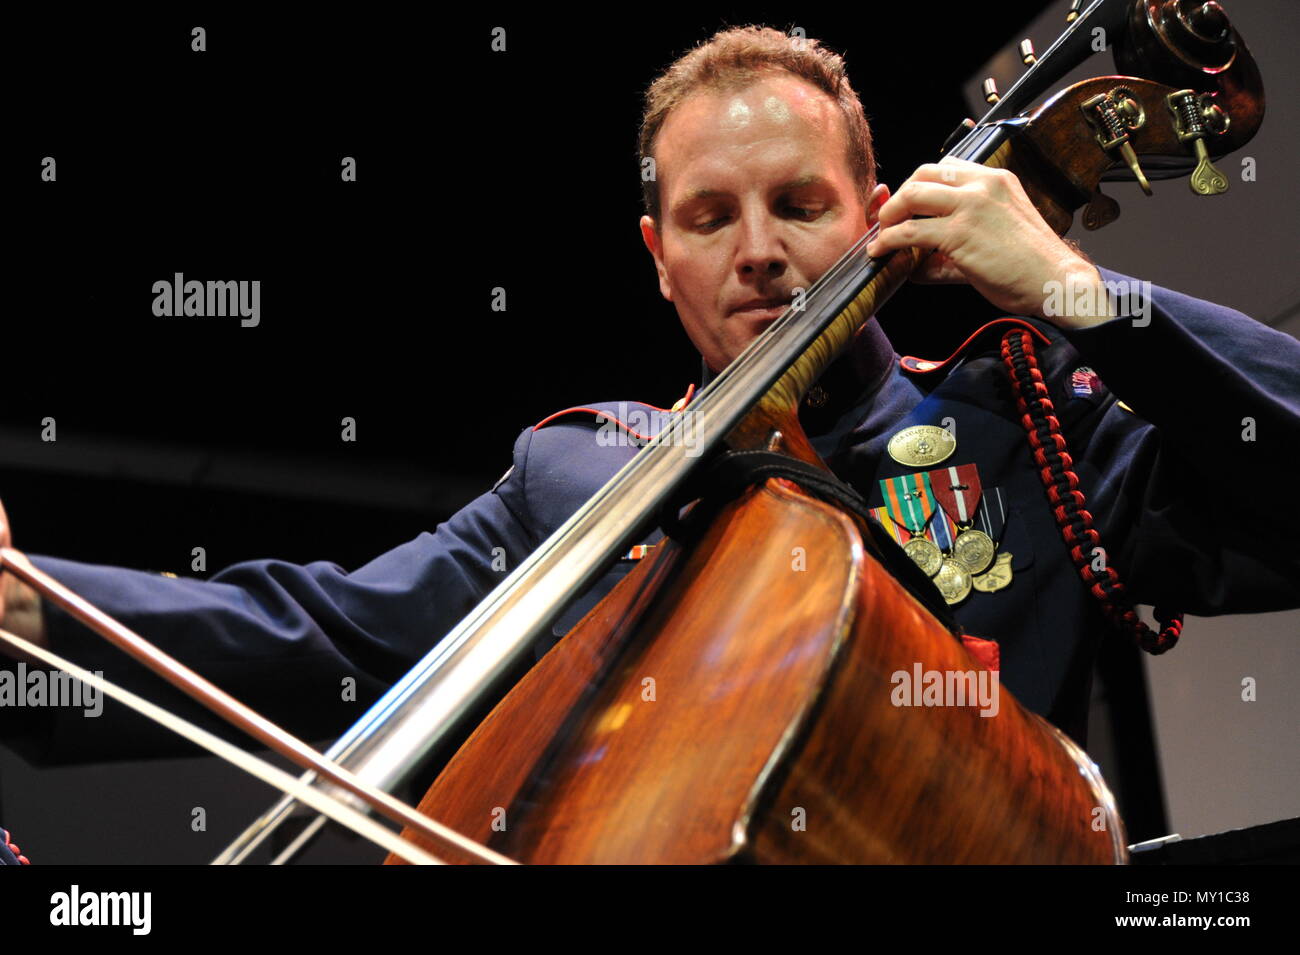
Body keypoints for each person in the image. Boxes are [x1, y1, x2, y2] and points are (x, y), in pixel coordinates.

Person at [1, 26, 1298, 861]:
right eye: (706, 214)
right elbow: (323, 637)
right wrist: (36, 610)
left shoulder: (1025, 419)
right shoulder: (583, 474)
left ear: (877, 212)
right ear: (654, 255)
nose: (756, 249)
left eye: (799, 204)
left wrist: (1084, 295)